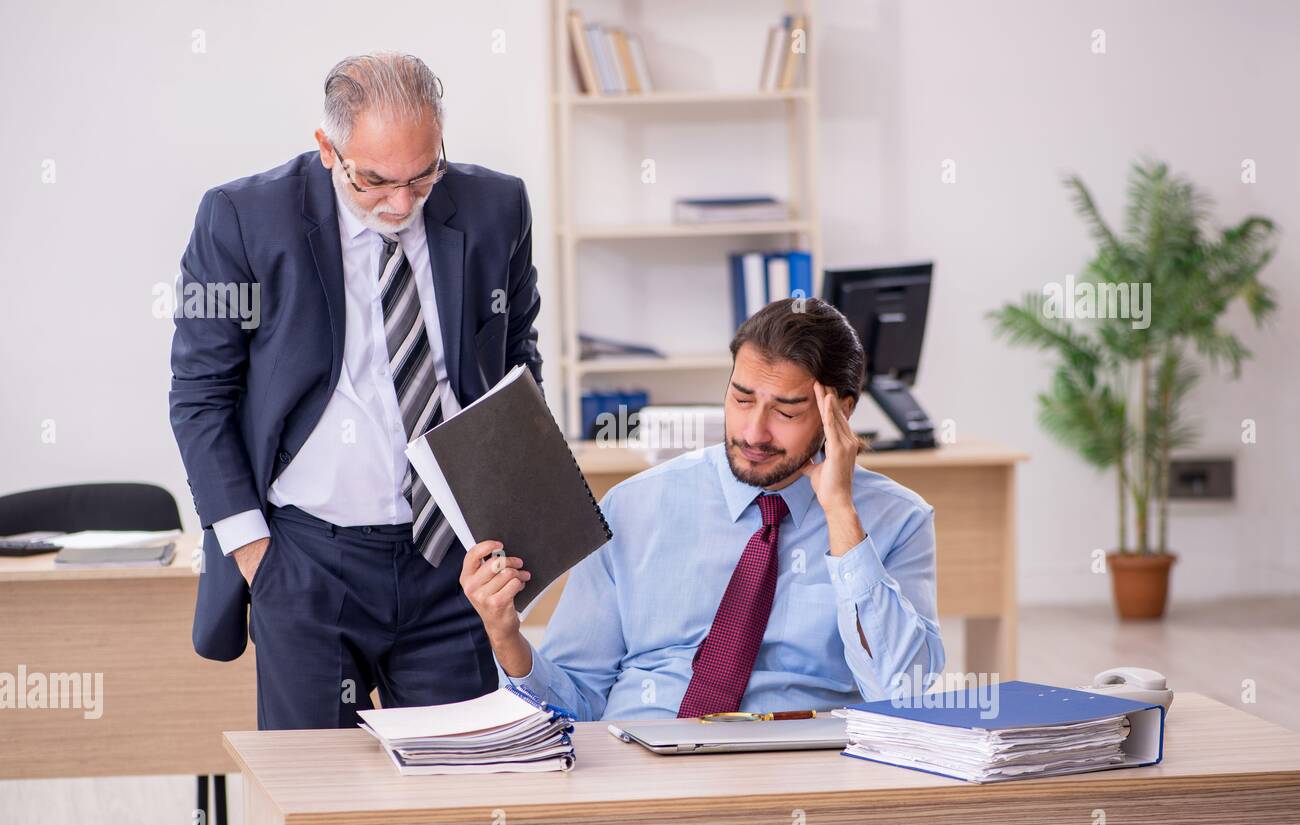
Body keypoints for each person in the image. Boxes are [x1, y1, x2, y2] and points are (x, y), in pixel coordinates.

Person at [170, 52, 542, 729]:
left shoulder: (497, 207)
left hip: (448, 561)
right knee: (315, 799)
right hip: (306, 561)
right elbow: (200, 396)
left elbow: (517, 361)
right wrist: (258, 557)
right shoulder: (241, 219)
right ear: (327, 148)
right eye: (374, 181)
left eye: (423, 174)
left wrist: (509, 518)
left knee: (456, 788)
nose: (401, 205)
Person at [460, 297, 944, 721]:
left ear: (840, 411)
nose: (754, 432)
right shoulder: (632, 507)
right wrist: (506, 638)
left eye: (787, 411)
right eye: (741, 397)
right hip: (644, 763)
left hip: (800, 768)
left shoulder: (898, 521)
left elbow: (902, 694)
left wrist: (841, 514)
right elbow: (576, 705)